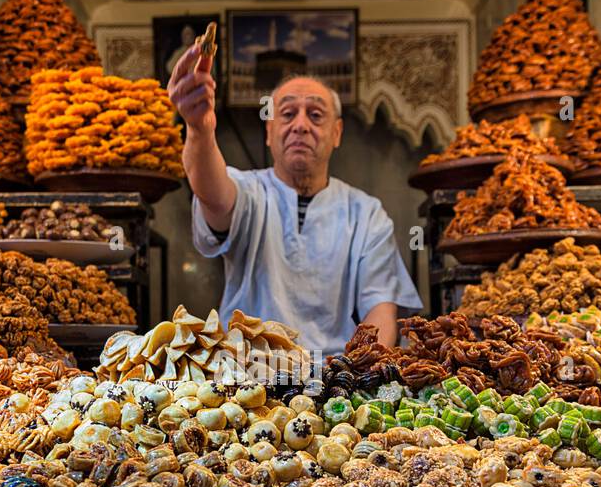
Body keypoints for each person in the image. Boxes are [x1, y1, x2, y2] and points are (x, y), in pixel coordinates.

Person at [166, 43, 422, 363]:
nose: (301, 125)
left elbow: (380, 307)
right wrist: (199, 128)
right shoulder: (247, 191)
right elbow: (213, 196)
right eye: (287, 113)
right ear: (269, 132)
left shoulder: (366, 214)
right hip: (244, 374)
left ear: (337, 132)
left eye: (315, 115)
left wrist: (364, 372)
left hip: (332, 374)